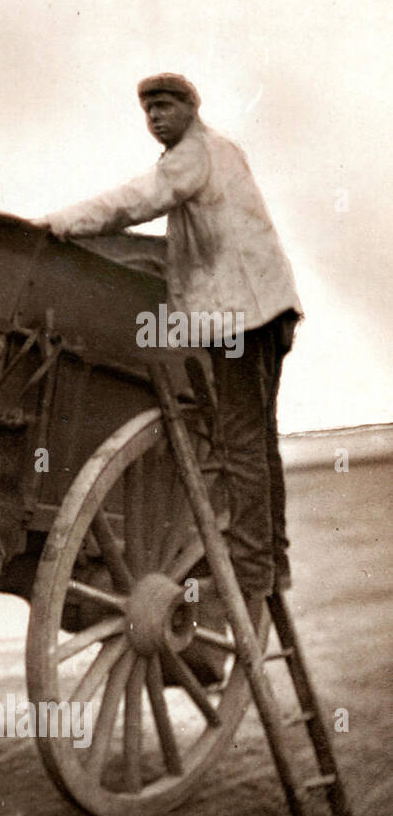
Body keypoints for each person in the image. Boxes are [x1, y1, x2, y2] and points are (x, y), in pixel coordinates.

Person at [37, 72, 301, 605]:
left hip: (243, 318)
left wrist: (58, 224)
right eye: (147, 110)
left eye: (164, 106)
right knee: (258, 440)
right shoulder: (220, 152)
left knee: (242, 442)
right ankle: (274, 561)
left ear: (190, 107)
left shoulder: (192, 154)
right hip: (266, 309)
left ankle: (252, 571)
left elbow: (135, 201)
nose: (155, 118)